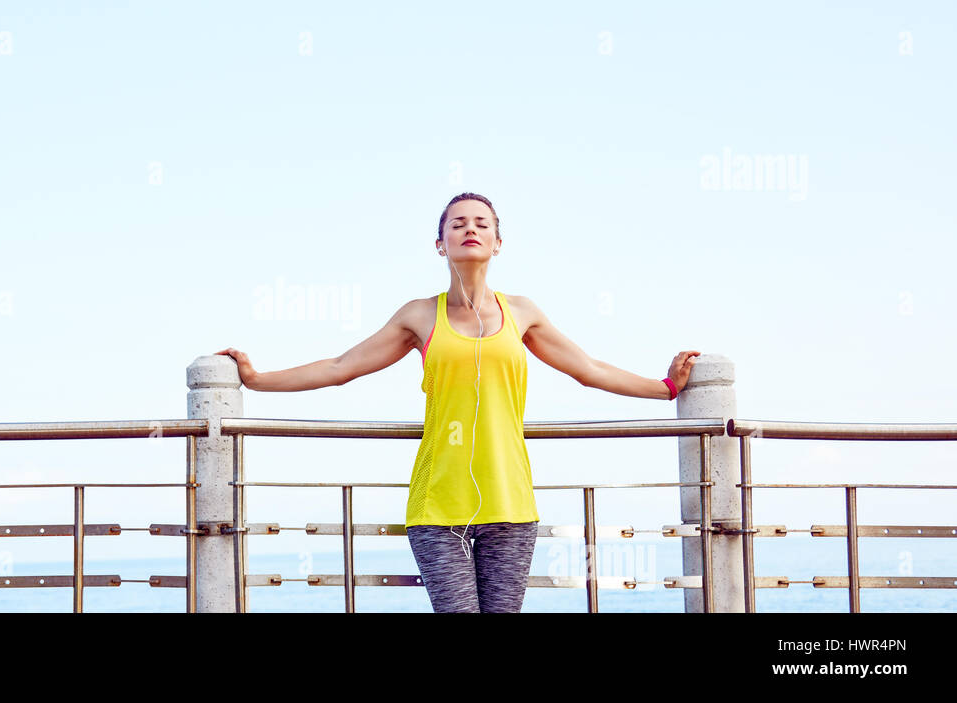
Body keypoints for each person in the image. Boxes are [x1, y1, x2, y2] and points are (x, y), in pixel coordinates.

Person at [217, 192, 700, 613]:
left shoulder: (523, 313)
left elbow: (588, 369)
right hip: (438, 507)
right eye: (458, 223)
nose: (470, 229)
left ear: (497, 242)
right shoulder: (418, 316)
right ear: (440, 244)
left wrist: (665, 388)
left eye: (481, 223)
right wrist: (257, 380)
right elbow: (340, 368)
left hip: (510, 501)